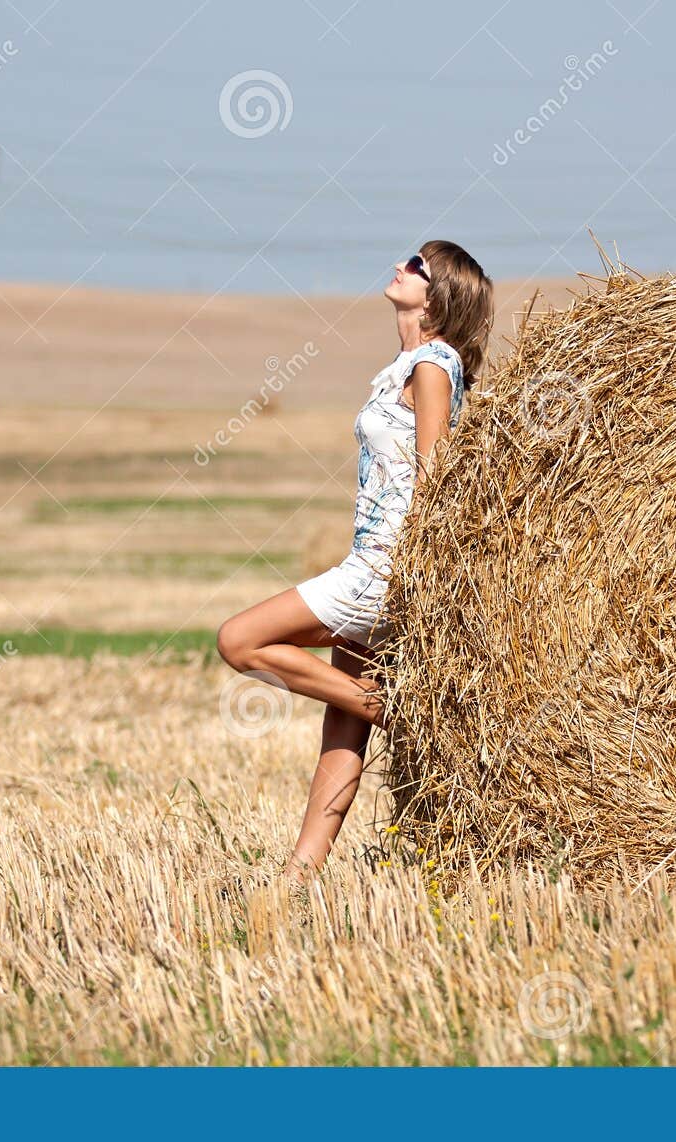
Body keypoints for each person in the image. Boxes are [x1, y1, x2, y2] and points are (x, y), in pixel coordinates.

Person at [216, 239, 495, 883]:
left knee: (240, 641)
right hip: (372, 557)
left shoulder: (431, 364)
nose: (404, 265)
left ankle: (392, 707)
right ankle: (299, 876)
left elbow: (436, 471)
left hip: (385, 568)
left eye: (419, 266)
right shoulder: (407, 364)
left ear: (437, 296)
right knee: (340, 728)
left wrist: (424, 574)